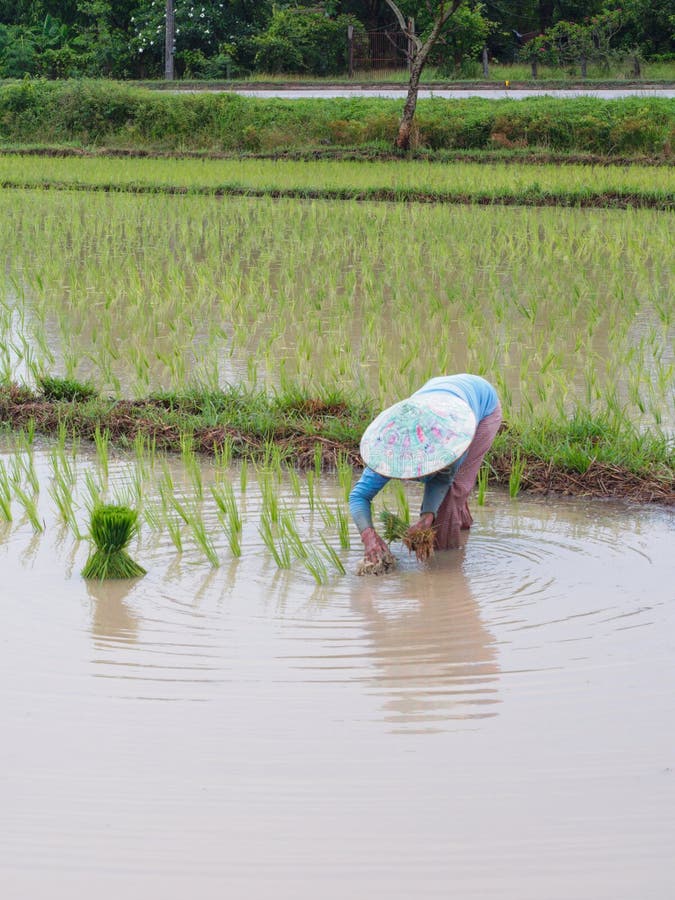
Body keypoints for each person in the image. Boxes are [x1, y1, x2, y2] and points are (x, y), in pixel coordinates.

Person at [349, 374, 502, 564]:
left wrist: (426, 517)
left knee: (453, 491)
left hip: (482, 405)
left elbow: (443, 479)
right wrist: (368, 536)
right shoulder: (386, 452)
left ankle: (445, 564)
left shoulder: (451, 443)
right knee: (445, 502)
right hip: (436, 393)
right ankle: (458, 526)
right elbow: (359, 496)